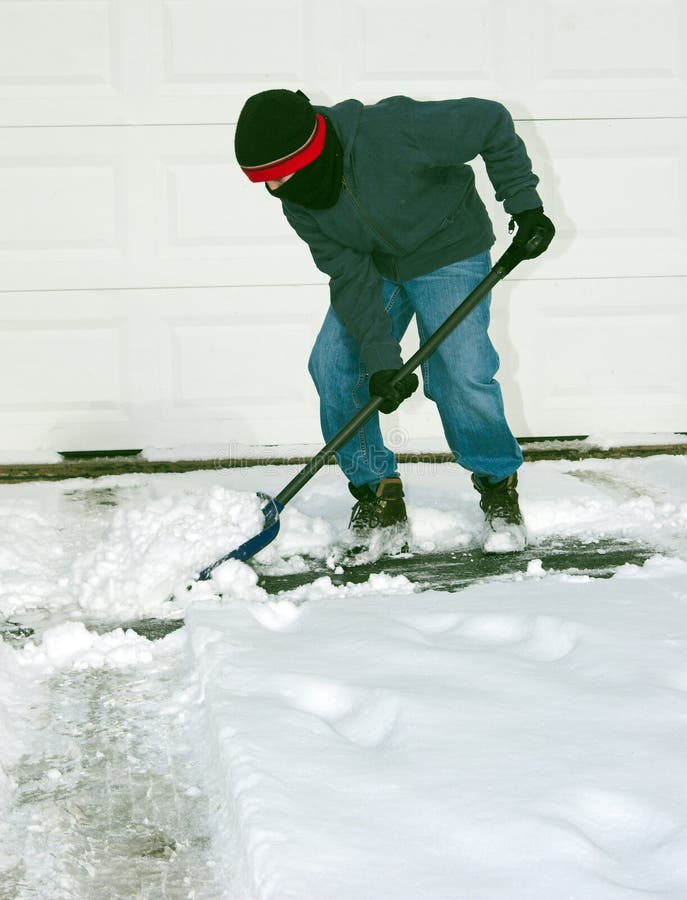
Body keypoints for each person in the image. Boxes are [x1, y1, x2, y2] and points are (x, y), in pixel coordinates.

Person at [234, 89, 554, 551]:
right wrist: (382, 360)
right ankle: (377, 490)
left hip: (450, 251)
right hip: (377, 267)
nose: (275, 189)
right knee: (334, 365)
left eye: (279, 175)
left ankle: (497, 482)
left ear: (309, 151)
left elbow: (491, 121)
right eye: (265, 181)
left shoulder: (393, 129)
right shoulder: (299, 199)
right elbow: (348, 273)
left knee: (460, 373)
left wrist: (524, 205)